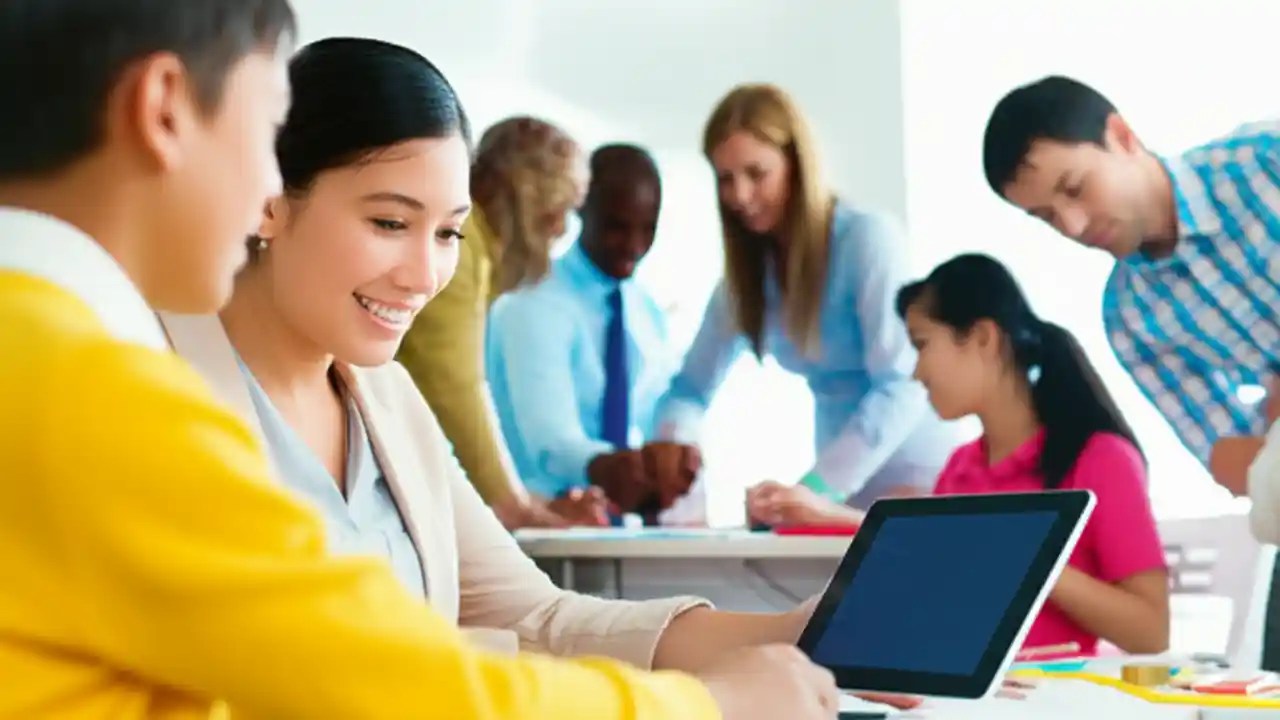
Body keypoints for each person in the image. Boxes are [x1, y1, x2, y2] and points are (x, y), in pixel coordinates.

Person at [0, 3, 835, 718]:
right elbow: (396, 688)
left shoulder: (61, 350)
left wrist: (784, 638)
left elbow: (524, 618)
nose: (262, 180)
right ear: (164, 109)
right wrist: (712, 705)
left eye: (448, 233)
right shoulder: (98, 389)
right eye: (260, 133)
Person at [983, 74, 1280, 665]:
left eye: (1075, 188)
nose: (1070, 225)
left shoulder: (1264, 165)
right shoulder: (1131, 317)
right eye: (1045, 217)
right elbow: (1236, 466)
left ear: (1122, 136)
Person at [655, 83, 957, 528]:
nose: (739, 195)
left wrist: (813, 493)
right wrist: (674, 448)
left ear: (796, 164)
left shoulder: (868, 239)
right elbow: (689, 389)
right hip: (840, 491)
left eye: (756, 173)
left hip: (918, 475)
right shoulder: (744, 282)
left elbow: (900, 382)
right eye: (725, 178)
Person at [900, 254, 1169, 655]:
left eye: (922, 345)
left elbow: (1150, 633)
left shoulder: (1100, 459)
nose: (916, 372)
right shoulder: (961, 468)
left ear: (983, 338)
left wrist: (1028, 557)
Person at [396, 116, 599, 528]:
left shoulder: (476, 250)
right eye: (558, 212)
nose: (560, 231)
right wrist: (514, 506)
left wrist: (524, 501)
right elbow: (455, 388)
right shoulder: (463, 239)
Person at [487, 144, 701, 520]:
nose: (633, 246)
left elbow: (657, 417)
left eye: (647, 229)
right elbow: (550, 445)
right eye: (617, 227)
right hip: (534, 529)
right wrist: (613, 469)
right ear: (582, 208)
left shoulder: (645, 309)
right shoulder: (533, 301)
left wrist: (674, 462)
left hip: (615, 532)